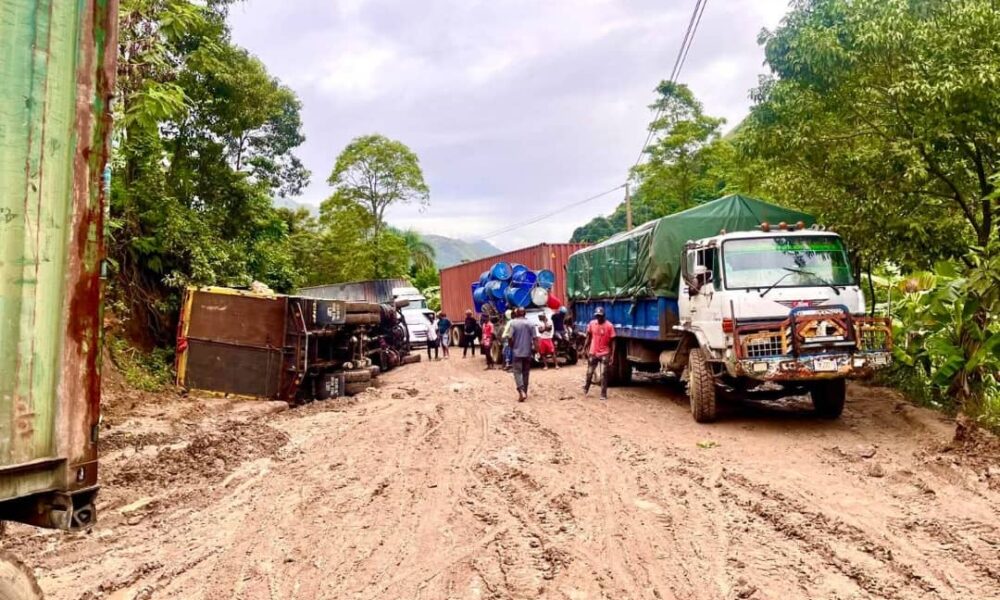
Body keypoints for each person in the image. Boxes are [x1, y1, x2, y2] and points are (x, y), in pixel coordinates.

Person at [583, 307, 616, 401]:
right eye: (597, 316)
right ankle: (586, 387)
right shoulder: (592, 324)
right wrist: (585, 347)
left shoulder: (609, 326)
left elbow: (613, 341)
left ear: (604, 316)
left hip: (605, 352)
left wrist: (612, 355)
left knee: (604, 374)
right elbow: (588, 336)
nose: (599, 318)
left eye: (600, 316)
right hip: (593, 352)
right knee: (589, 372)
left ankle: (603, 394)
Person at [506, 308, 538, 402]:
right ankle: (525, 392)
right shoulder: (531, 323)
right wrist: (536, 350)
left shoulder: (513, 323)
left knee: (517, 372)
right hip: (527, 352)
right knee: (526, 372)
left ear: (516, 314)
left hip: (517, 352)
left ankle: (521, 391)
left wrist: (512, 346)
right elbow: (535, 338)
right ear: (525, 313)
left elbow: (510, 337)